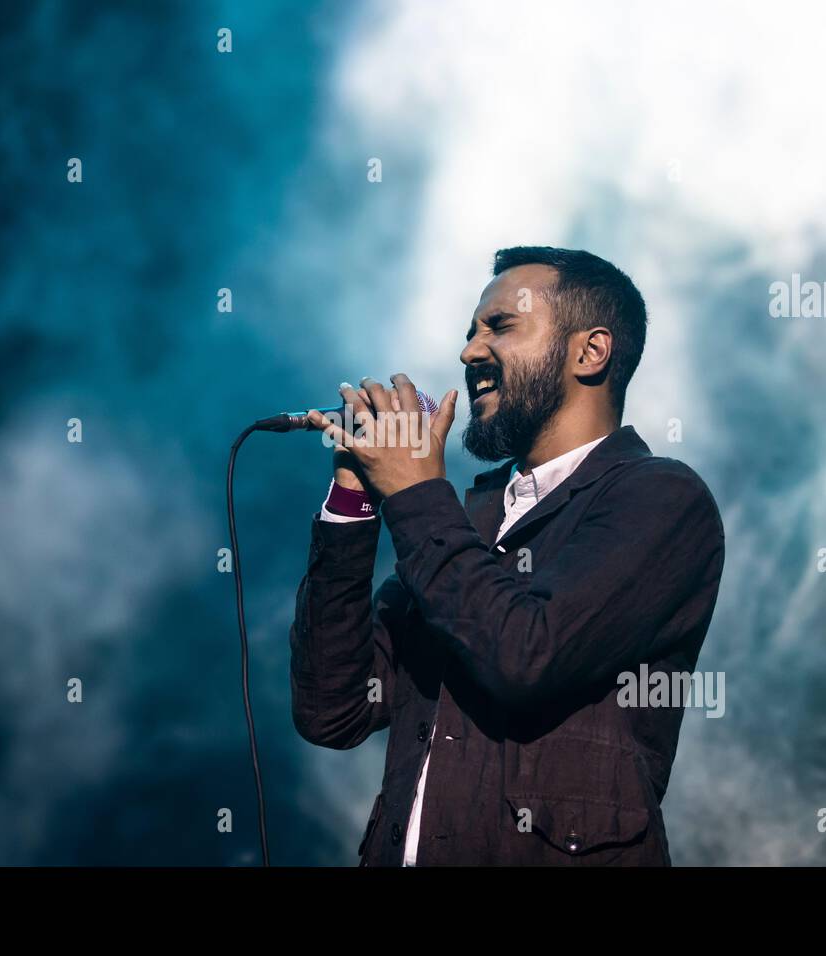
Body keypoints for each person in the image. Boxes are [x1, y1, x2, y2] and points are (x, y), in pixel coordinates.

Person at [291, 246, 725, 865]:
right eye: (469, 332)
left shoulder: (660, 498)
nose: (469, 351)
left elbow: (528, 655)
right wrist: (353, 500)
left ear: (590, 352)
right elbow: (332, 711)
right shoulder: (462, 519)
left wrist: (415, 493)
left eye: (499, 326)